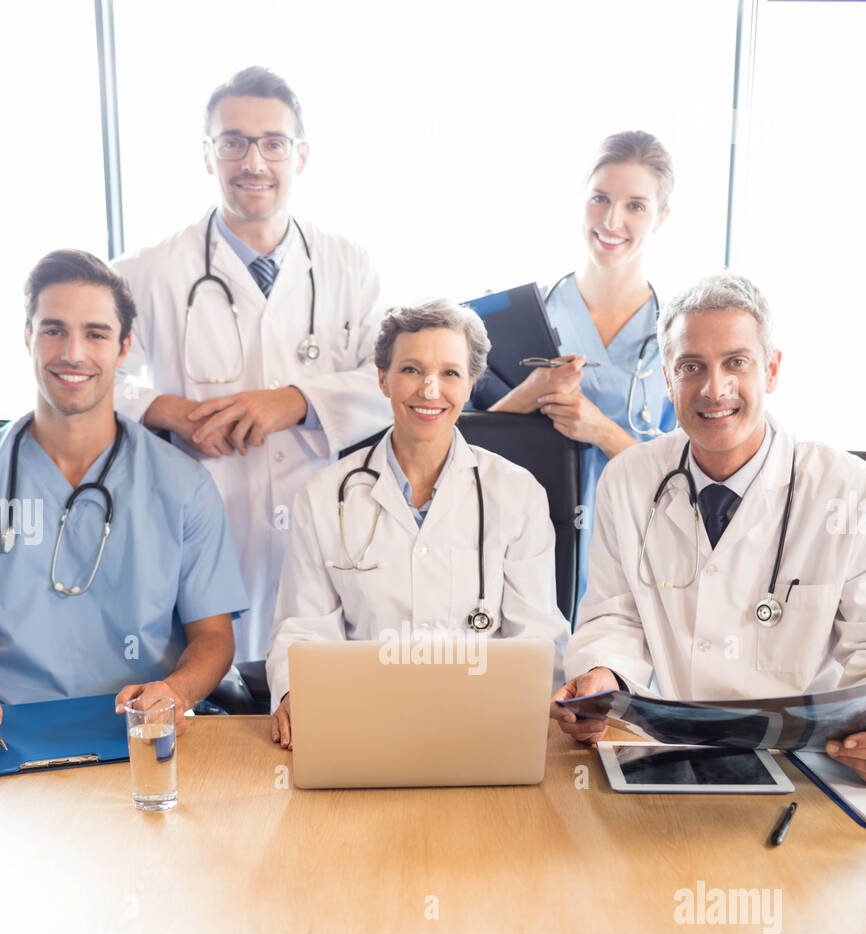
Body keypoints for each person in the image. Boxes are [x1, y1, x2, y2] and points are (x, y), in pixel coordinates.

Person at [112, 66, 391, 663]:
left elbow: (391, 380)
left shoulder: (349, 265)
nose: (253, 162)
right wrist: (168, 411)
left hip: (326, 525)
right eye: (232, 142)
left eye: (272, 143)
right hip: (205, 524)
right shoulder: (149, 270)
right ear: (207, 156)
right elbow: (84, 380)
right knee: (211, 696)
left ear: (302, 155)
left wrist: (297, 400)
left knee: (316, 700)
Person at [549, 272, 866, 783]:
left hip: (804, 770)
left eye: (736, 362)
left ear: (772, 370)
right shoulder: (629, 479)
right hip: (662, 757)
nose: (714, 389)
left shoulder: (847, 488)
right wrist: (600, 678)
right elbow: (615, 615)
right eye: (691, 366)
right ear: (668, 380)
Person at [267, 300, 570, 748]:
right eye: (411, 369)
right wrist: (294, 691)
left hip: (485, 729)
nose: (430, 390)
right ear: (382, 380)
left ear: (470, 384)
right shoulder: (323, 495)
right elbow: (304, 628)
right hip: (362, 725)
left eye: (450, 373)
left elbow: (538, 636)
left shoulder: (517, 493)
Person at [0, 251, 247, 730]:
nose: (73, 352)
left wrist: (175, 693)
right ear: (27, 337)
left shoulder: (183, 485)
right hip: (10, 740)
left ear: (124, 346)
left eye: (96, 333)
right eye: (53, 330)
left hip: (140, 735)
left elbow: (214, 637)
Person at [483, 131, 676, 607]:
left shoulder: (679, 339)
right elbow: (460, 450)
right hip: (522, 548)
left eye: (636, 206)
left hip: (638, 554)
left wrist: (603, 432)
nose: (612, 220)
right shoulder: (513, 320)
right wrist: (523, 398)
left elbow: (690, 477)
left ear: (661, 217)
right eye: (600, 198)